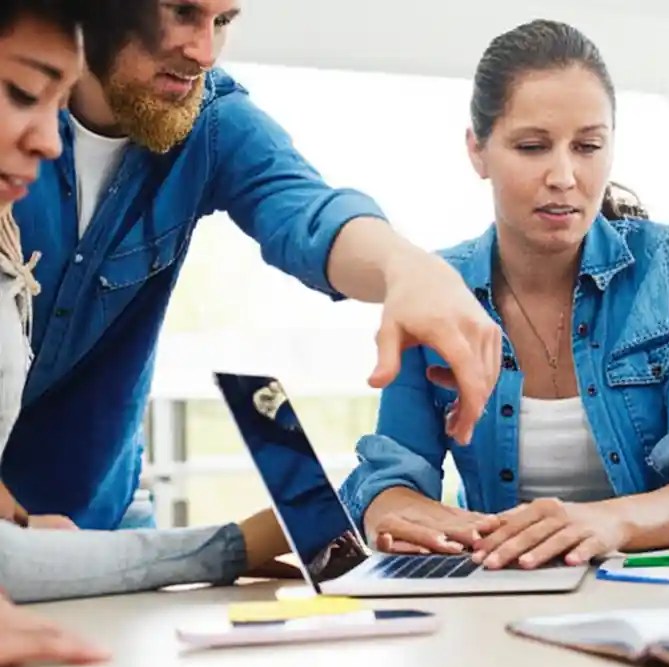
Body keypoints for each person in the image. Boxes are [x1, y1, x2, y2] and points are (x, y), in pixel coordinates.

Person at [0, 0, 503, 532]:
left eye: (222, 22)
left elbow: (307, 212)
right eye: (183, 13)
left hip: (99, 529)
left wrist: (406, 268)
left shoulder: (210, 121)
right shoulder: (14, 124)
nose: (204, 53)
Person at [340, 19, 669, 571]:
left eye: (588, 146)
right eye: (533, 146)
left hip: (658, 591)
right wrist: (483, 534)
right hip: (502, 589)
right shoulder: (439, 291)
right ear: (477, 151)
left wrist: (606, 522)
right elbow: (389, 484)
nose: (564, 175)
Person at [0, 0, 297, 667]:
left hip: (84, 530)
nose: (49, 142)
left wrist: (17, 529)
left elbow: (302, 205)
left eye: (223, 22)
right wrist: (233, 547)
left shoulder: (8, 248)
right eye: (22, 94)